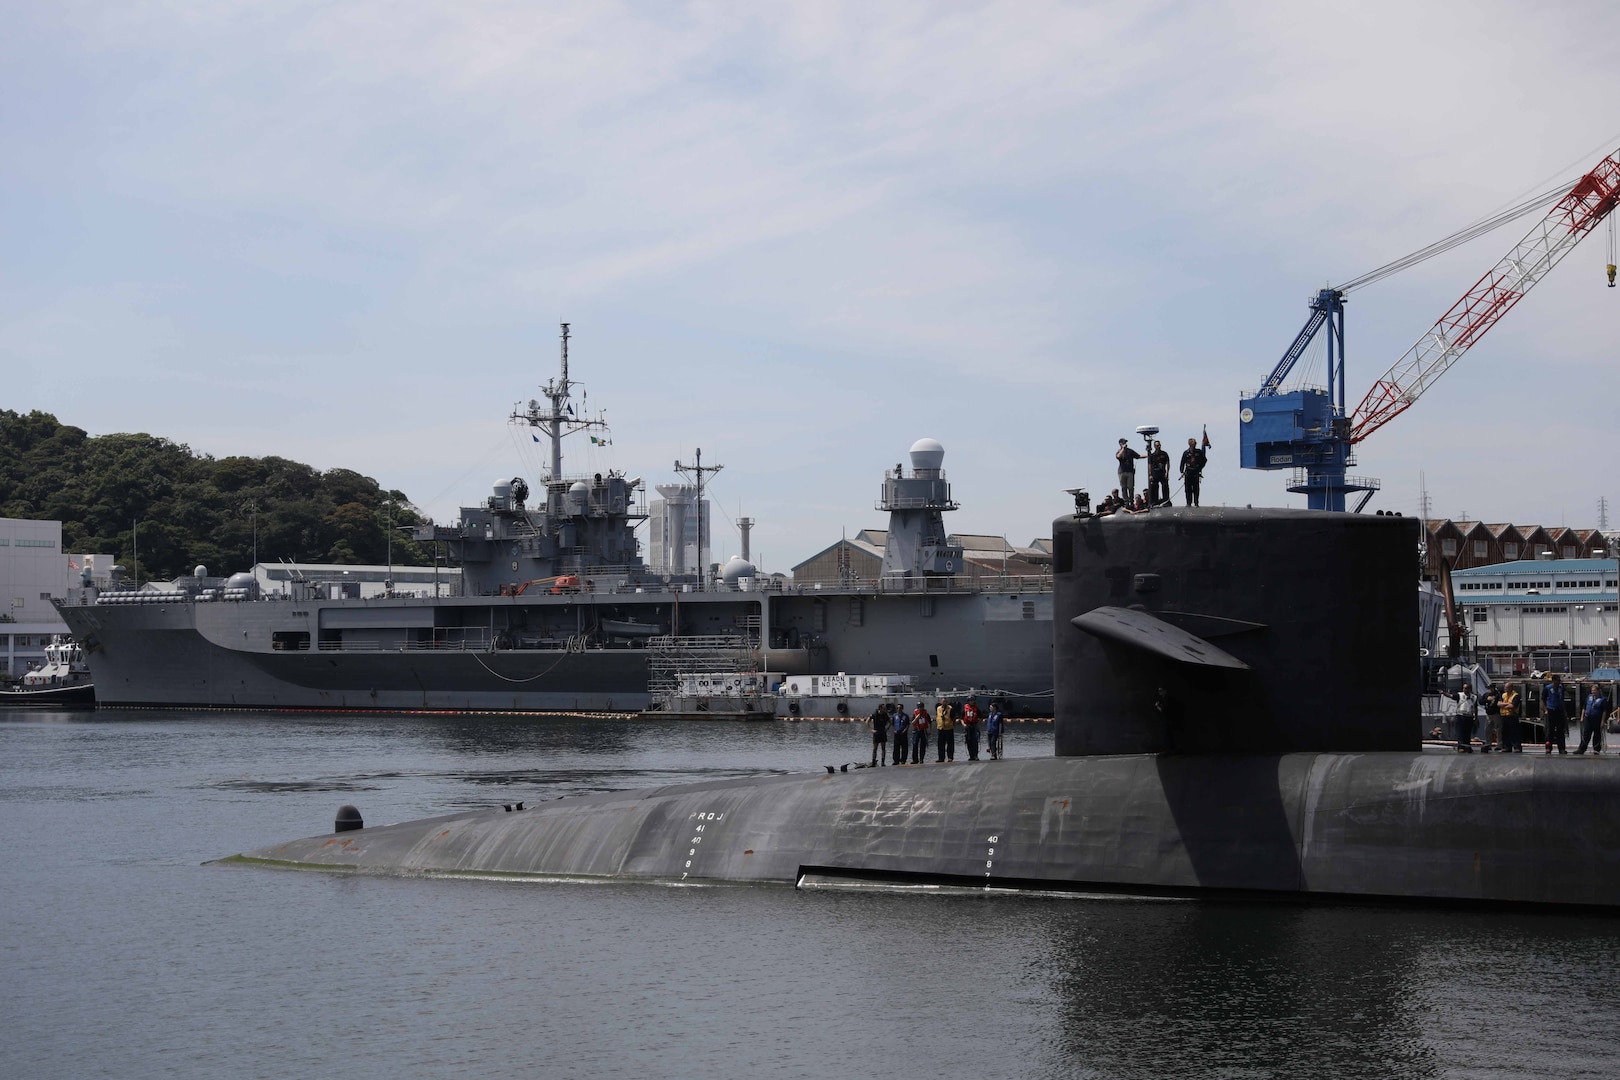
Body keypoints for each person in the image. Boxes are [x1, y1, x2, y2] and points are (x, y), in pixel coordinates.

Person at [1577, 684, 1610, 755]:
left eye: (1594, 690)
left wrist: (1602, 721)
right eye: (1592, 690)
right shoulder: (1589, 697)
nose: (1593, 692)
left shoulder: (1602, 700)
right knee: (1586, 734)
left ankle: (1596, 749)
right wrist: (1582, 717)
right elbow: (1584, 707)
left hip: (1597, 719)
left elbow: (1604, 711)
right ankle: (1581, 749)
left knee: (1597, 734)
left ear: (1598, 691)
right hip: (1588, 718)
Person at [1179, 435, 1208, 507]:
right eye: (1193, 443)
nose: (1195, 444)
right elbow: (1182, 463)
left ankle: (1196, 502)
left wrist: (1200, 467)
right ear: (1190, 444)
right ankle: (1188, 502)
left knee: (1196, 488)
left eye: (1195, 443)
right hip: (1188, 472)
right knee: (1188, 488)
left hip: (1196, 472)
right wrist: (1182, 472)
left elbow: (1204, 460)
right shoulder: (1186, 453)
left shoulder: (1199, 452)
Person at [1543, 674, 1567, 754]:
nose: (1559, 681)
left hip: (1559, 710)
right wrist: (1545, 710)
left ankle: (1561, 748)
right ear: (1553, 680)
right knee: (1550, 731)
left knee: (1560, 730)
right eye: (1557, 680)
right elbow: (1543, 699)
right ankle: (1548, 747)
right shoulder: (1547, 688)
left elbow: (1562, 699)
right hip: (1551, 710)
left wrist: (1564, 710)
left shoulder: (1561, 688)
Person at [1146, 440, 1171, 507]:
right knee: (1154, 487)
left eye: (1159, 445)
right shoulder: (1152, 455)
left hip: (1162, 472)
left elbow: (1168, 463)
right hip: (1155, 473)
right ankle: (1154, 501)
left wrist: (1167, 472)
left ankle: (1166, 500)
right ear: (1154, 446)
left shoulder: (1164, 454)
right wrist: (1150, 474)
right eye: (1157, 445)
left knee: (1165, 486)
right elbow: (1150, 465)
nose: (1158, 446)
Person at [1498, 683, 1522, 753]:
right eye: (1505, 687)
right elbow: (1498, 704)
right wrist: (1507, 704)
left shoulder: (1516, 695)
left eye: (1507, 687)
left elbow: (1513, 706)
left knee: (1514, 732)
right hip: (1504, 716)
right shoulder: (1503, 695)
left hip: (1512, 716)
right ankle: (1506, 747)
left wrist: (1503, 705)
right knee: (1505, 732)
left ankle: (1517, 747)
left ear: (1511, 688)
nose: (1506, 689)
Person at [1455, 682, 1476, 752]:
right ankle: (1461, 747)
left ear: (1470, 689)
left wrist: (1476, 717)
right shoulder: (1459, 695)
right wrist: (1444, 693)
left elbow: (1475, 708)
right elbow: (1451, 696)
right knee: (1460, 732)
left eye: (1466, 688)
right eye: (1464, 688)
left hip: (1469, 716)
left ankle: (1467, 746)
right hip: (1461, 716)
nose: (1465, 690)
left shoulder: (1474, 697)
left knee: (1468, 733)